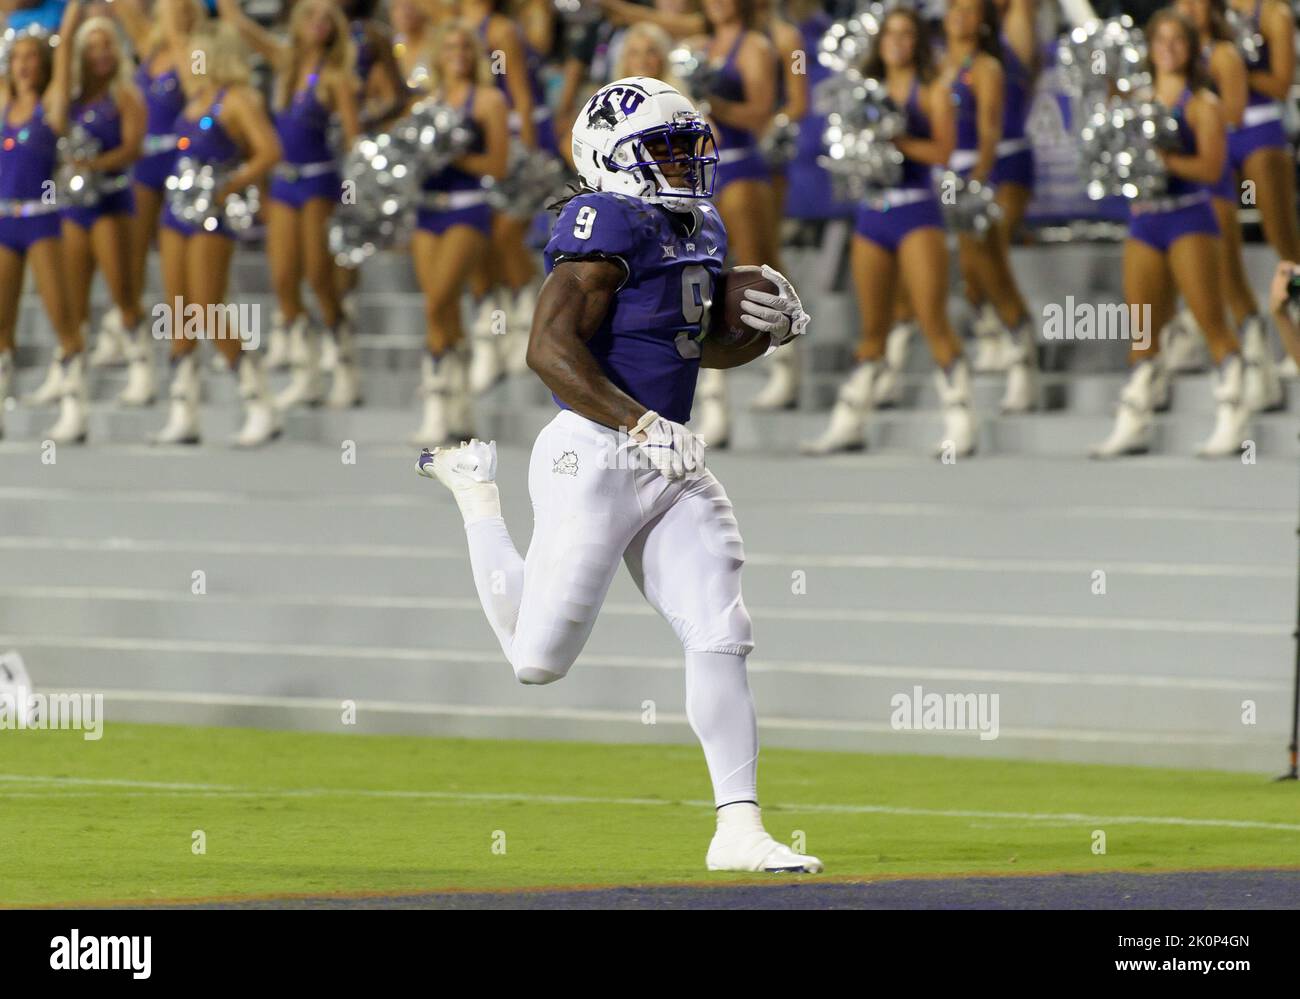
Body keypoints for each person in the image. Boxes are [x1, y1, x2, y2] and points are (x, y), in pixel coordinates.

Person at [416, 76, 821, 873]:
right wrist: (638, 422)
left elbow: (690, 345)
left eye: (689, 147)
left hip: (669, 456)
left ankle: (738, 827)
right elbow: (547, 349)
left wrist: (769, 332)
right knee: (537, 660)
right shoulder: (604, 220)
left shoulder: (699, 223)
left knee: (722, 629)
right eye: (664, 149)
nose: (684, 163)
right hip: (594, 454)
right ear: (610, 154)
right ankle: (475, 496)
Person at [802, 6, 976, 457]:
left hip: (916, 212)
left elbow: (944, 151)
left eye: (907, 34)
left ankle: (961, 421)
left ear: (918, 42)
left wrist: (895, 138)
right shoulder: (864, 89)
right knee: (872, 328)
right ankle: (849, 422)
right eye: (891, 34)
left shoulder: (934, 89)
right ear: (879, 43)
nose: (898, 42)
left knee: (933, 321)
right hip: (872, 213)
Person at [1091, 9, 1246, 458]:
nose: (1168, 48)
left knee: (1211, 322)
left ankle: (1233, 416)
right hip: (1145, 220)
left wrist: (1164, 162)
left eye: (1178, 40)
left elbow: (1212, 169)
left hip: (1188, 218)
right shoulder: (1136, 100)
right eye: (1160, 40)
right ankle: (1133, 420)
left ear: (1191, 48)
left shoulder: (1203, 104)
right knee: (1142, 329)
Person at [218, 0, 361, 409]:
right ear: (297, 22)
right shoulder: (284, 62)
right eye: (311, 16)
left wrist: (355, 193)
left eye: (326, 19)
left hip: (319, 180)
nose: (318, 24)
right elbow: (240, 25)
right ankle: (306, 371)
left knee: (318, 276)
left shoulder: (335, 76)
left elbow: (354, 139)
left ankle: (344, 363)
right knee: (282, 278)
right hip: (283, 182)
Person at [150, 15, 283, 446]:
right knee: (178, 312)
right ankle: (183, 410)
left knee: (207, 308)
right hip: (175, 210)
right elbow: (173, 29)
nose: (189, 59)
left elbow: (269, 151)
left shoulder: (237, 100)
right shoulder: (196, 95)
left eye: (198, 53)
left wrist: (230, 185)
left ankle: (258, 401)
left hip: (212, 212)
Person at [409, 20, 509, 445]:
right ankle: (455, 404)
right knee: (440, 308)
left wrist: (452, 156)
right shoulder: (424, 101)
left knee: (438, 300)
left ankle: (440, 402)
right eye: (450, 47)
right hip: (426, 210)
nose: (459, 55)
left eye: (466, 47)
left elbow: (498, 166)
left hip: (468, 209)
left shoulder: (488, 100)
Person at [108, 0, 208, 407]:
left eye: (183, 7)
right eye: (170, 6)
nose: (175, 13)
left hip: (182, 163)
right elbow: (121, 7)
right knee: (128, 259)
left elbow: (199, 91)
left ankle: (185, 360)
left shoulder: (199, 51)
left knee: (178, 270)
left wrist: (181, 40)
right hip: (145, 161)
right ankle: (138, 355)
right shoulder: (149, 47)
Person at [941, 0, 1038, 412]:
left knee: (989, 264)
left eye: (971, 10)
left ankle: (1022, 355)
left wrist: (976, 182)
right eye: (955, 7)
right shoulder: (937, 64)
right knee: (970, 269)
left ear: (985, 22)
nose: (960, 16)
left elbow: (989, 132)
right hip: (951, 175)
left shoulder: (987, 66)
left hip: (994, 168)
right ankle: (994, 335)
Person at [49, 5, 146, 400]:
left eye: (107, 45)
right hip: (75, 206)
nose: (101, 53)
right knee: (73, 297)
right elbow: (60, 58)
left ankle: (141, 365)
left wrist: (93, 165)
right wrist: (72, 19)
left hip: (111, 201)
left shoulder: (125, 95)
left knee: (122, 291)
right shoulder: (70, 97)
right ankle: (71, 379)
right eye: (93, 46)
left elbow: (134, 148)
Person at [0, 31, 84, 442]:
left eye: (32, 56)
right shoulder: (3, 106)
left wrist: (69, 18)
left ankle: (74, 408)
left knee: (61, 317)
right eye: (17, 56)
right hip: (4, 220)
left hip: (42, 220)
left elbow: (64, 56)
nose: (24, 64)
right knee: (1, 322)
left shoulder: (50, 107)